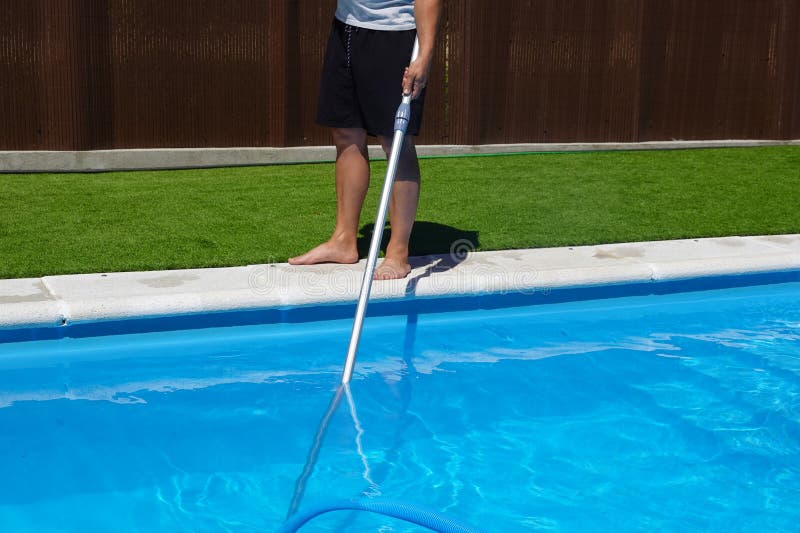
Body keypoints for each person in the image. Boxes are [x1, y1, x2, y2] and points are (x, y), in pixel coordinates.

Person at [289, 0, 441, 280]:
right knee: (346, 132)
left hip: (396, 34)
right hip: (345, 30)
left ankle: (397, 252)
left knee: (395, 140)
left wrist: (426, 53)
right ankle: (344, 240)